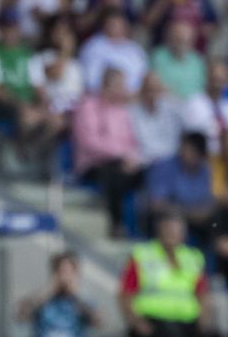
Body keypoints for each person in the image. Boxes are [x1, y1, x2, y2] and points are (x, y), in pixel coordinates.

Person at [119, 211, 225, 337]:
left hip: (187, 321)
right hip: (153, 321)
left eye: (176, 231)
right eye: (168, 230)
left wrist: (205, 319)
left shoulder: (192, 257)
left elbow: (202, 294)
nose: (172, 235)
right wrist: (136, 321)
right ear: (159, 231)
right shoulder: (143, 256)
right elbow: (125, 294)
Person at [73, 68, 143, 237]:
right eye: (119, 85)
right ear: (106, 85)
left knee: (147, 174)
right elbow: (89, 141)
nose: (123, 89)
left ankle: (145, 231)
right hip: (92, 164)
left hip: (122, 163)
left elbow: (132, 141)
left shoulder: (122, 110)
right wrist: (120, 154)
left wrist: (132, 158)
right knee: (114, 173)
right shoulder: (88, 106)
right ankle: (116, 224)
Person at [0, 9, 50, 139]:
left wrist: (44, 106)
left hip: (27, 104)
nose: (10, 31)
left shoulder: (29, 53)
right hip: (0, 106)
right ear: (0, 29)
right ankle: (21, 153)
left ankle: (34, 154)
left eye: (13, 26)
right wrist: (20, 105)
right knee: (28, 117)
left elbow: (39, 87)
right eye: (6, 27)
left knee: (54, 119)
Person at [145, 132, 216, 242]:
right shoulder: (164, 167)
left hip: (198, 225)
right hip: (167, 222)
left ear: (200, 155)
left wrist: (194, 214)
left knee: (216, 224)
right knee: (173, 224)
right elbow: (156, 205)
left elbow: (208, 207)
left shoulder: (205, 170)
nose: (184, 153)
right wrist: (187, 213)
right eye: (183, 148)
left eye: (191, 151)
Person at [79, 7, 148, 95]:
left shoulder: (135, 49)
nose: (117, 27)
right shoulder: (92, 47)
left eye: (120, 24)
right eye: (113, 24)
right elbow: (90, 81)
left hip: (134, 100)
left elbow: (144, 76)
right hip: (102, 99)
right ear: (104, 25)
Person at [180, 58, 228, 150]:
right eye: (215, 79)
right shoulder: (193, 104)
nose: (218, 84)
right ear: (207, 78)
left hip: (226, 159)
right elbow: (191, 139)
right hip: (202, 157)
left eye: (222, 80)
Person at [132, 72, 185, 169]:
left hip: (172, 161)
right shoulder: (133, 112)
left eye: (155, 89)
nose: (151, 94)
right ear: (142, 91)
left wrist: (171, 96)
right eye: (148, 90)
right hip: (145, 164)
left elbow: (187, 118)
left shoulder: (171, 108)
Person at [151, 20, 206, 100]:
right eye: (178, 39)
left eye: (186, 40)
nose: (182, 43)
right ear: (169, 38)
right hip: (166, 100)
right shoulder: (158, 57)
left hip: (192, 103)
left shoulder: (197, 60)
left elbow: (201, 87)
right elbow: (154, 84)